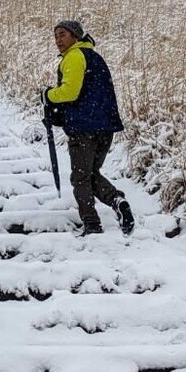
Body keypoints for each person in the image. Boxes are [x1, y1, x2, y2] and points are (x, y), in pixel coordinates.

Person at [42, 20, 135, 236]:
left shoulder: (74, 57)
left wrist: (48, 94)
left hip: (84, 128)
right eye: (56, 36)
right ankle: (117, 201)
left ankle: (92, 223)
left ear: (75, 36)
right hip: (105, 127)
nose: (58, 40)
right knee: (90, 174)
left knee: (80, 177)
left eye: (62, 35)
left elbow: (69, 92)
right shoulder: (95, 57)